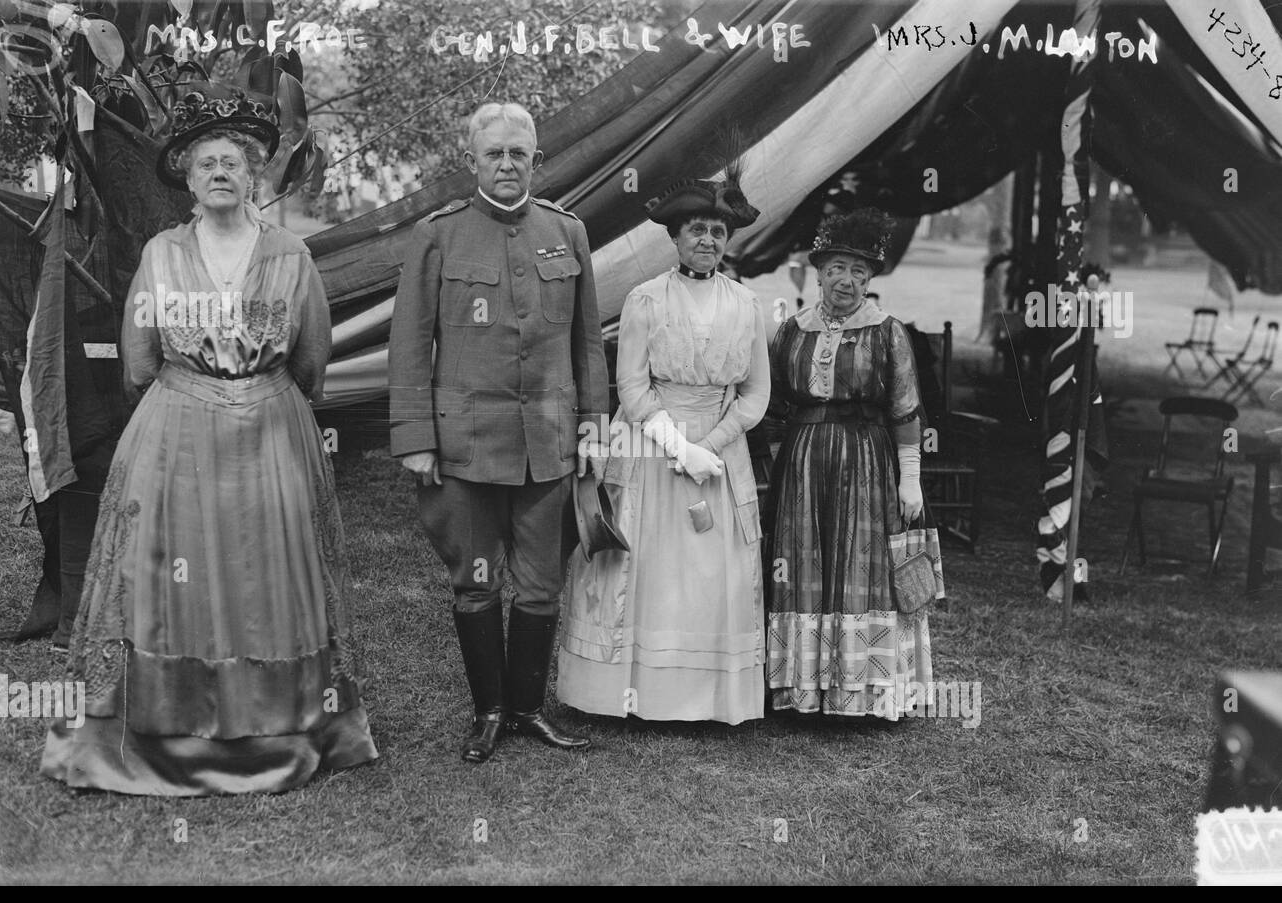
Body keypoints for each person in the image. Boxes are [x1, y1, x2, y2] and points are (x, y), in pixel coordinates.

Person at [41, 88, 377, 794]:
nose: (220, 172)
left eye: (234, 162)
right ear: (188, 180)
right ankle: (167, 726)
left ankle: (278, 727)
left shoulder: (289, 255)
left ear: (255, 174)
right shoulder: (161, 255)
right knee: (178, 569)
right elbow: (139, 359)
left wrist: (263, 396)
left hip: (273, 435)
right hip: (178, 433)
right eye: (206, 164)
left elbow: (311, 357)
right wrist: (195, 395)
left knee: (269, 570)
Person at [389, 102, 608, 763]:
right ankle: (487, 711)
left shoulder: (566, 232)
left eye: (521, 153)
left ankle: (527, 708)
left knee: (541, 584)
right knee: (477, 580)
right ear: (473, 161)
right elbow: (409, 341)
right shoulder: (440, 236)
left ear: (536, 159)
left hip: (549, 444)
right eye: (495, 154)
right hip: (467, 447)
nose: (508, 164)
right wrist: (415, 436)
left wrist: (595, 423)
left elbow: (587, 340)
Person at [556, 166, 771, 725]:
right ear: (674, 238)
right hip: (651, 443)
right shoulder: (646, 299)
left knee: (709, 567)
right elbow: (630, 384)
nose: (707, 241)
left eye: (718, 233)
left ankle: (703, 698)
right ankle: (634, 693)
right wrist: (678, 446)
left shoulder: (747, 305)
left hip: (720, 450)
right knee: (649, 562)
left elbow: (755, 395)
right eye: (696, 230)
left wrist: (712, 446)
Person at [763, 208, 936, 720]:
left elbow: (905, 409)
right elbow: (774, 412)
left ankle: (864, 692)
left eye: (859, 271)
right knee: (804, 567)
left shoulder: (887, 332)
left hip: (866, 459)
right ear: (818, 271)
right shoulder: (791, 331)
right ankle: (803, 691)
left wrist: (911, 481)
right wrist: (782, 471)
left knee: (863, 568)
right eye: (838, 267)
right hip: (803, 461)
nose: (847, 280)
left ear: (870, 279)